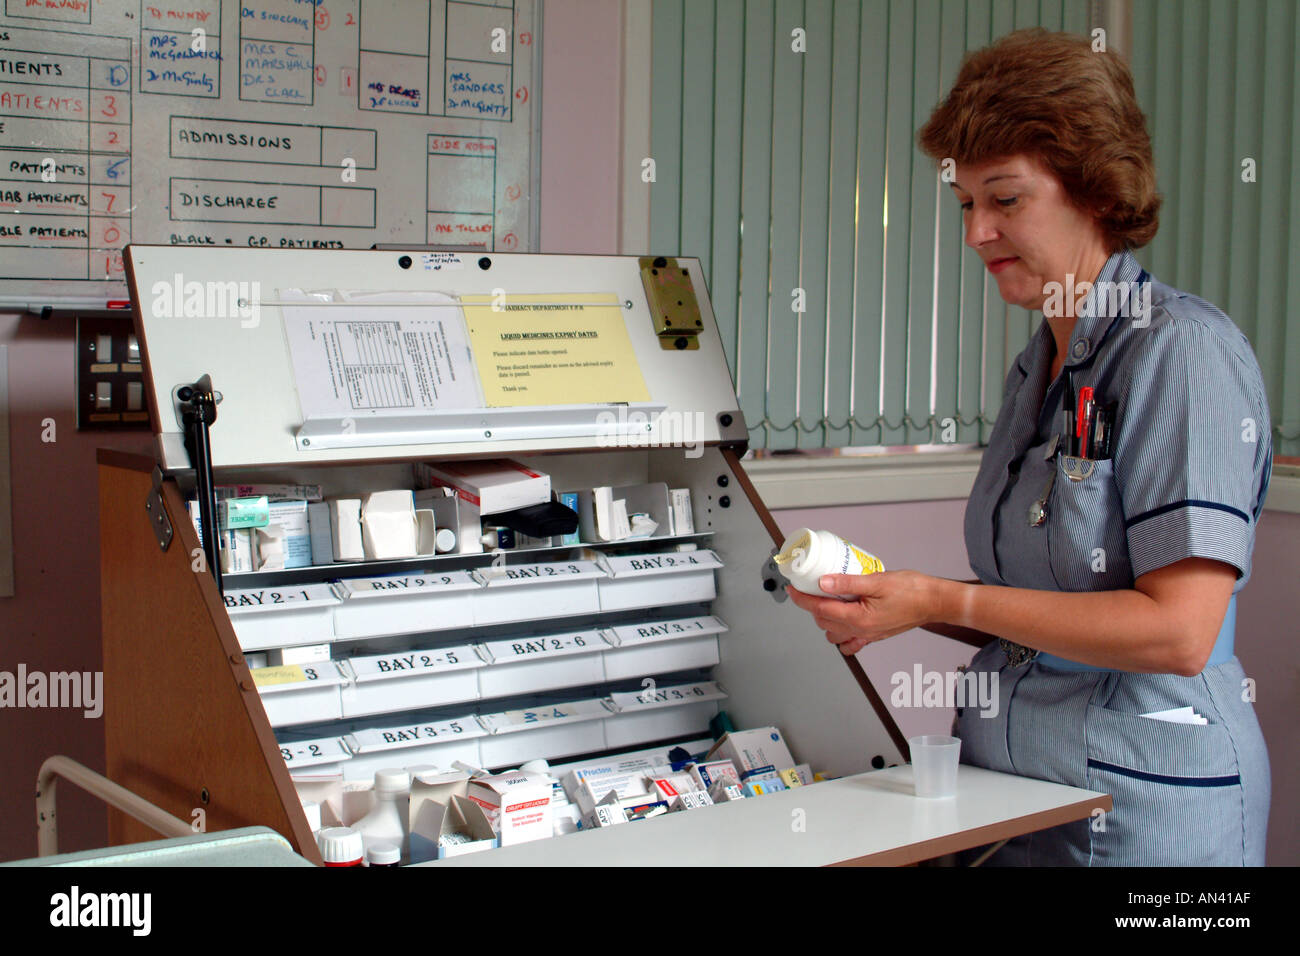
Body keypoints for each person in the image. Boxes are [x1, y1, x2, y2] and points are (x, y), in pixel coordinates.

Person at [783, 29, 1271, 865]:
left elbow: (1179, 633)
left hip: (1146, 809)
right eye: (966, 203)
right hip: (1014, 801)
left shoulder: (1181, 354)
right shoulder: (1038, 367)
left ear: (1096, 191)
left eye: (1005, 200)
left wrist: (942, 600)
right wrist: (899, 605)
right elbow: (1041, 605)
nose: (976, 232)